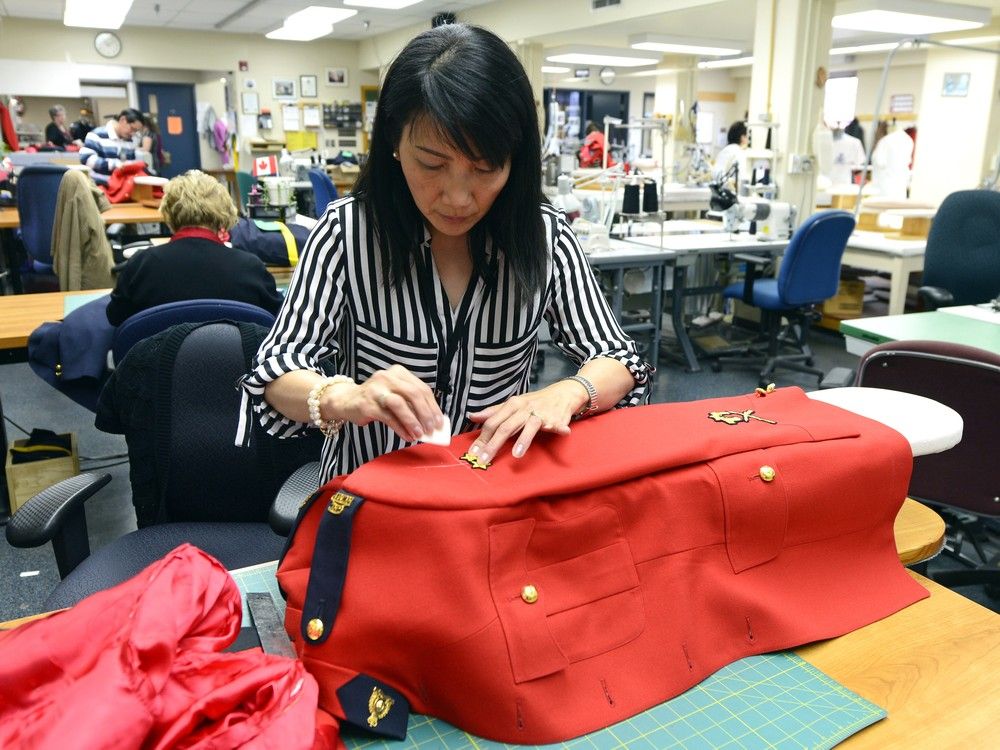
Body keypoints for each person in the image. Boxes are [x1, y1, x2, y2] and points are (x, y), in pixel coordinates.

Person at [239, 23, 652, 483]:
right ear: (395, 143)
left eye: (485, 168)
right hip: (373, 499)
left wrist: (571, 390)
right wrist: (342, 395)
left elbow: (619, 357)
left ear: (515, 159)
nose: (458, 197)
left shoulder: (545, 237)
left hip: (488, 501)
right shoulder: (347, 233)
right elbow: (276, 370)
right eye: (432, 164)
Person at [105, 170, 283, 326]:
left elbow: (114, 317)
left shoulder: (140, 266)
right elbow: (279, 319)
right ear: (225, 214)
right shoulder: (251, 268)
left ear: (168, 212)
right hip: (238, 364)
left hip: (154, 364)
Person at [79, 107, 145, 177]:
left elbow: (129, 162)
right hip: (99, 184)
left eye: (136, 131)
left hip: (122, 184)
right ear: (122, 120)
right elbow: (86, 159)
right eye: (132, 129)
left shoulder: (131, 140)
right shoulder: (96, 135)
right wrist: (116, 165)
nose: (133, 133)